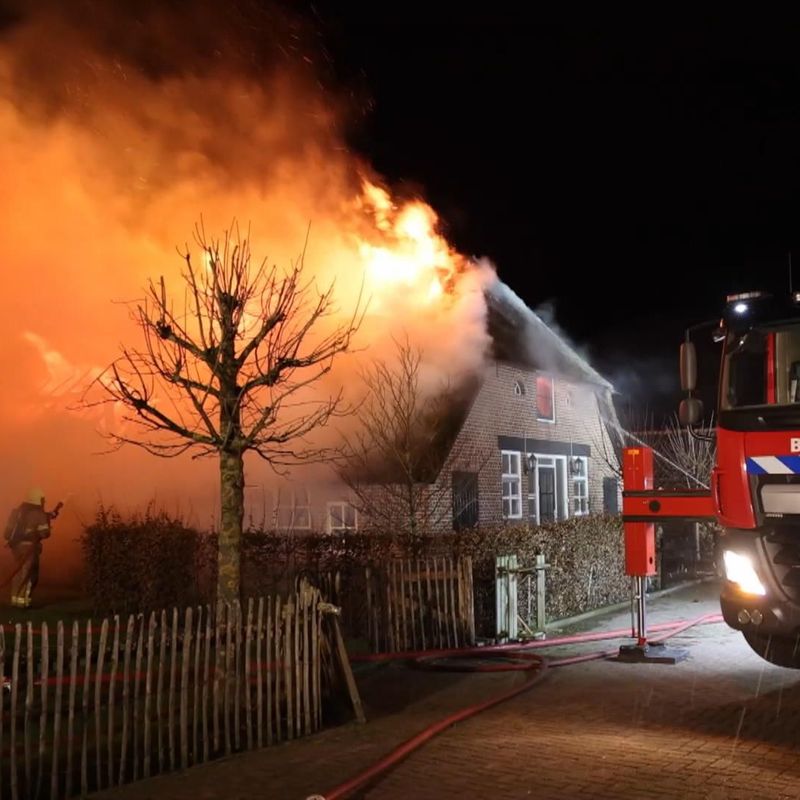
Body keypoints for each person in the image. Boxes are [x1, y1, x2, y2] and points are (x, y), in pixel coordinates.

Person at [4, 488, 61, 608]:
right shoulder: (38, 514)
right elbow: (44, 533)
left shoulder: (18, 512)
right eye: (42, 500)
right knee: (29, 574)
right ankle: (24, 603)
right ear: (38, 500)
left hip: (16, 547)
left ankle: (15, 600)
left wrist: (49, 515)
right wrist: (47, 526)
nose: (43, 502)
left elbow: (11, 530)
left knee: (18, 573)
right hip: (29, 548)